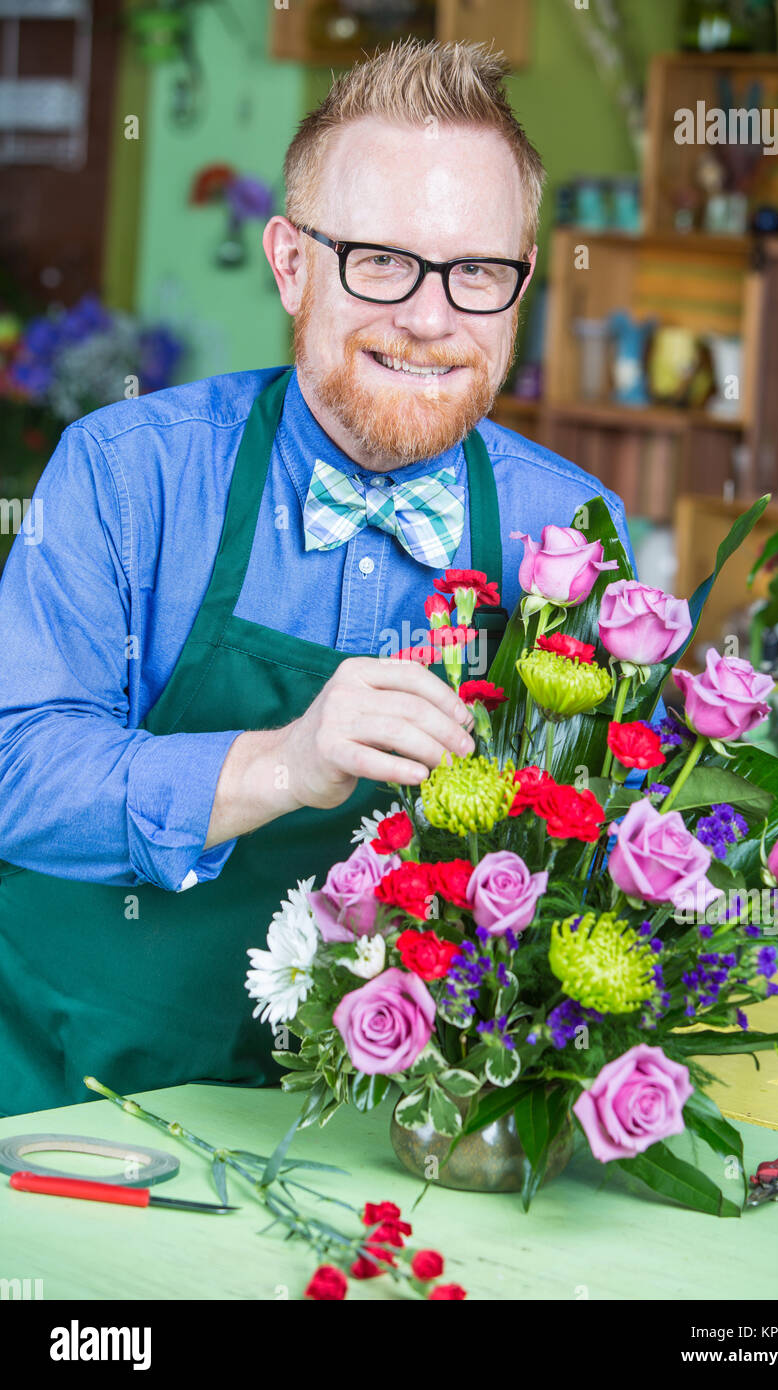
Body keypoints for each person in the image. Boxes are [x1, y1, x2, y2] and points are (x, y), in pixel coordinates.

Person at [0, 40, 639, 1118]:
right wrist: (283, 760)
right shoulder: (126, 474)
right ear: (292, 262)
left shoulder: (569, 529)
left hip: (398, 1139)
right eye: (380, 261)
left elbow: (602, 846)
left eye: (476, 272)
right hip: (78, 1101)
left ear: (520, 286)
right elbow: (16, 773)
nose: (430, 318)